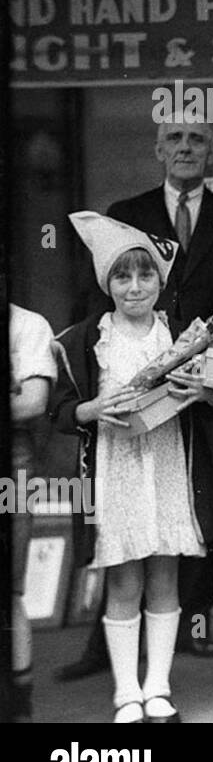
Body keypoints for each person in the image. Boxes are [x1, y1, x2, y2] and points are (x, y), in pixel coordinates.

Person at [93, 120, 213, 663]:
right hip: (136, 376)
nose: (185, 148)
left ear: (212, 153)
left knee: (196, 509)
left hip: (200, 388)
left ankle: (193, 625)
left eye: (197, 141)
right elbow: (99, 296)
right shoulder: (127, 212)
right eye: (175, 140)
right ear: (158, 150)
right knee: (124, 517)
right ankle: (109, 645)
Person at [51, 214, 213, 722]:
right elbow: (60, 411)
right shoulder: (86, 339)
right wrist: (95, 408)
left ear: (159, 282)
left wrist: (202, 391)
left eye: (145, 276)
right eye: (122, 277)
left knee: (165, 576)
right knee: (123, 582)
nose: (135, 287)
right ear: (107, 283)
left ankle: (158, 686)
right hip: (117, 467)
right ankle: (126, 691)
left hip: (167, 463)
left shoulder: (178, 334)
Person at [9, 304, 57, 720]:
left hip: (11, 460)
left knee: (9, 588)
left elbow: (33, 401)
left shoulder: (26, 324)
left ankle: (18, 702)